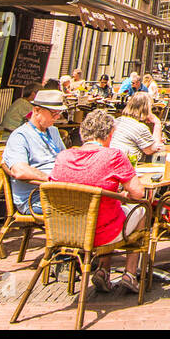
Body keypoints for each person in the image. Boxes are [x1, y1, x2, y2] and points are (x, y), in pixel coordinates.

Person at [49, 109, 147, 294]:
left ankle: (104, 270)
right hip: (101, 233)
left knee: (111, 211)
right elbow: (138, 193)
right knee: (141, 209)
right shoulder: (113, 156)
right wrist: (122, 195)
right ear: (109, 134)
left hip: (66, 231)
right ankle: (130, 274)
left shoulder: (63, 156)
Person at [3, 89, 69, 214]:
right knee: (87, 206)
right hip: (34, 197)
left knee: (101, 203)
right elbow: (20, 171)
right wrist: (51, 178)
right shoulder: (20, 136)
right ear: (36, 110)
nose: (57, 117)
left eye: (59, 113)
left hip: (58, 191)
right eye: (54, 113)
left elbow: (64, 159)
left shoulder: (53, 131)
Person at [112, 92, 164, 160]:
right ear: (146, 109)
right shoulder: (140, 128)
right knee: (161, 158)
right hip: (127, 163)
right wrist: (157, 123)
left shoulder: (117, 120)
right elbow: (152, 149)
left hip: (113, 159)